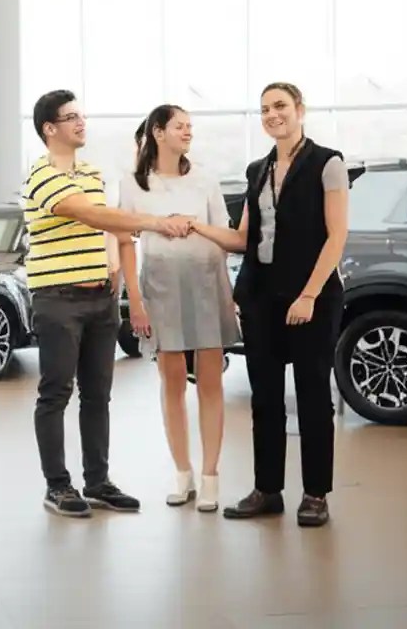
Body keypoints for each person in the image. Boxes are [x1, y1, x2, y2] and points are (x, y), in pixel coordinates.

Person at [23, 89, 192, 518]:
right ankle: (57, 486)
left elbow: (109, 234)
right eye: (71, 117)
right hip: (57, 299)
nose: (82, 123)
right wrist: (155, 222)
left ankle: (97, 482)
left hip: (100, 297)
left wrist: (122, 286)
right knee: (56, 393)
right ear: (50, 128)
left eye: (83, 115)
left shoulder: (93, 173)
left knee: (98, 395)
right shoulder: (41, 175)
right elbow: (94, 217)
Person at [191, 82, 350, 527]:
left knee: (314, 396)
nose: (272, 114)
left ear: (300, 109)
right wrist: (198, 228)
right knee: (264, 398)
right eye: (264, 109)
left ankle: (316, 493)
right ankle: (268, 489)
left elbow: (337, 235)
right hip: (262, 298)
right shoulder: (257, 169)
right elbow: (244, 238)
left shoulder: (328, 163)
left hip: (311, 297)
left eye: (280, 106)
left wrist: (309, 295)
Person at [117, 104, 240, 513]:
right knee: (170, 383)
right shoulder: (135, 184)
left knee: (210, 381)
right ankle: (182, 472)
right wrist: (135, 300)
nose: (188, 132)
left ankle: (210, 476)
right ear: (158, 132)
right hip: (160, 287)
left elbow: (226, 235)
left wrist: (229, 291)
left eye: (190, 126)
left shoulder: (205, 179)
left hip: (207, 283)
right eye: (179, 126)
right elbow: (124, 242)